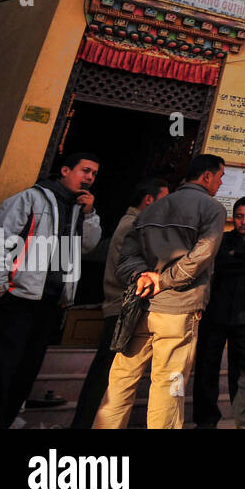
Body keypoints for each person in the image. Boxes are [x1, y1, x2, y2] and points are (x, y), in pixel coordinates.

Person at [94, 154, 228, 430]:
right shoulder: (212, 208)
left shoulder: (152, 208)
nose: (220, 182)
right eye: (220, 176)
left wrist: (142, 276)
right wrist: (164, 281)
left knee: (120, 380)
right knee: (170, 383)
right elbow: (201, 256)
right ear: (206, 176)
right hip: (177, 310)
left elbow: (126, 256)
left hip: (139, 306)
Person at [0, 152, 102, 429]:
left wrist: (90, 214)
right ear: (66, 170)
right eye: (85, 170)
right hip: (16, 298)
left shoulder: (78, 208)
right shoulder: (31, 199)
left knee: (24, 374)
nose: (89, 178)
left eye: (94, 173)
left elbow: (89, 246)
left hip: (48, 303)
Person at [70, 178, 168, 429]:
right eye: (164, 198)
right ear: (150, 200)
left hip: (120, 305)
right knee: (106, 378)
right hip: (123, 307)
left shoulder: (131, 222)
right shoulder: (136, 224)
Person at [193, 196, 245, 429]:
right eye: (239, 216)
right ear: (233, 217)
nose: (243, 221)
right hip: (215, 314)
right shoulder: (222, 239)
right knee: (206, 368)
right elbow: (218, 262)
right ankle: (206, 422)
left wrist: (235, 255)